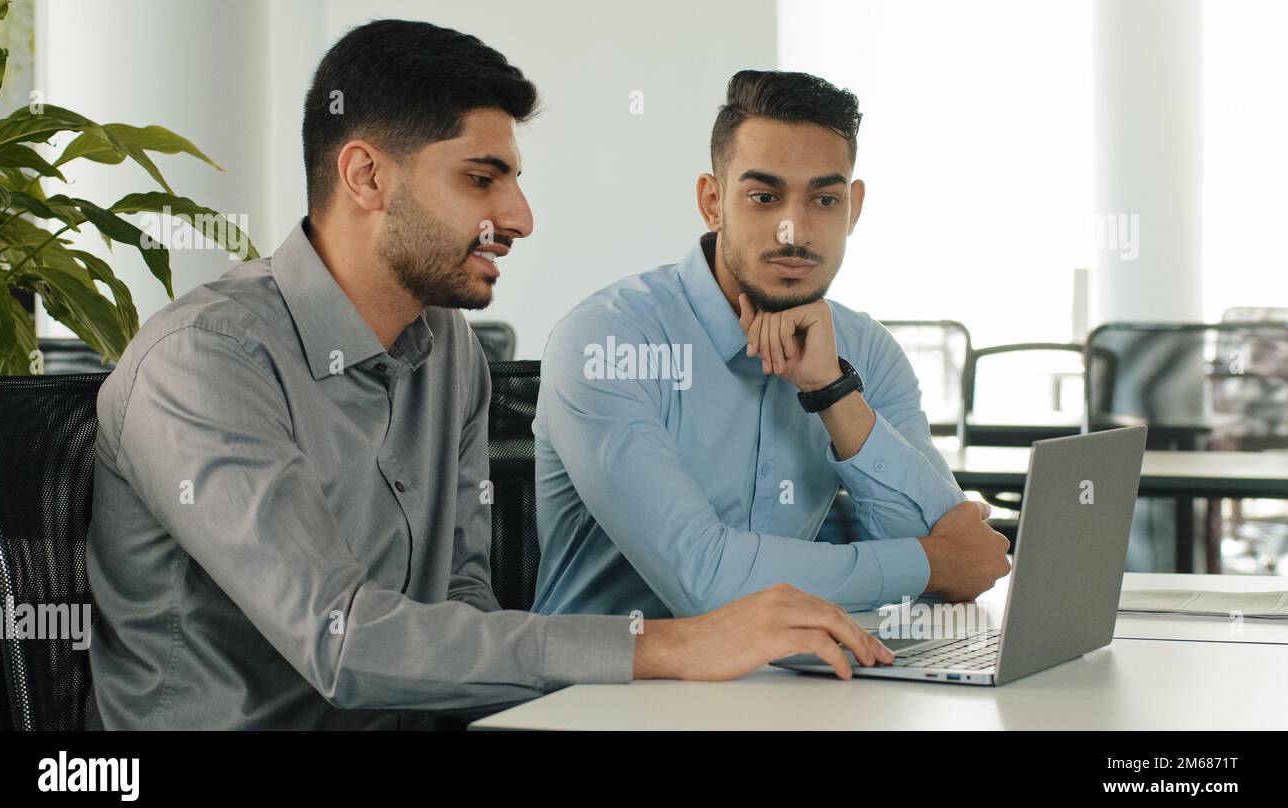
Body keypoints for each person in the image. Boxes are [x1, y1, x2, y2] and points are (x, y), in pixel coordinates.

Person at [84, 22, 893, 731]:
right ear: (366, 176)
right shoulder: (204, 360)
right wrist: (671, 644)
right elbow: (346, 640)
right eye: (482, 179)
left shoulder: (448, 349)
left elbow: (460, 611)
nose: (520, 216)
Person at [532, 70, 1011, 620]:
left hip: (791, 683)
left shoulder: (866, 350)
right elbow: (705, 579)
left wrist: (834, 394)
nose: (795, 231)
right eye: (764, 196)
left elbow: (956, 551)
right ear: (712, 202)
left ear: (853, 208)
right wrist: (930, 566)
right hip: (605, 694)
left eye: (824, 200)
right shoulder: (608, 341)